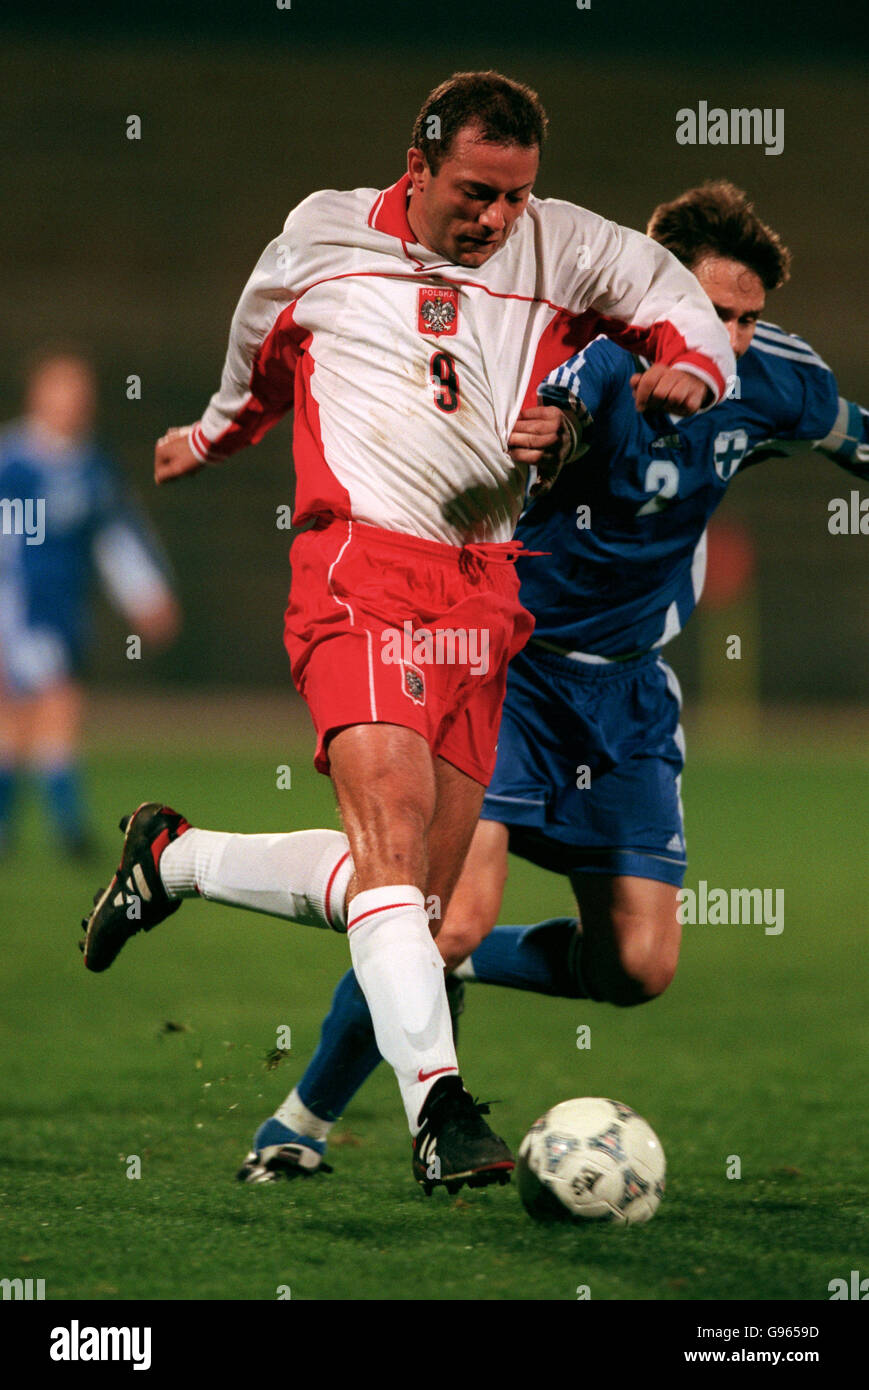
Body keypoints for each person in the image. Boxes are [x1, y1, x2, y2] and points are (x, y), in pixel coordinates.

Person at [79, 72, 733, 1196]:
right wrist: (210, 436)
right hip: (356, 569)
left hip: (484, 592)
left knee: (414, 911)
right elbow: (256, 360)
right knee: (390, 842)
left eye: (515, 197)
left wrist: (690, 368)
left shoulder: (562, 247)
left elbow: (684, 307)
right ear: (418, 164)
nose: (495, 218)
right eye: (475, 191)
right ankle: (439, 1109)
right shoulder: (322, 234)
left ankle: (171, 856)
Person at [221, 179, 868, 1184]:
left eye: (743, 317)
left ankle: (441, 961)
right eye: (707, 312)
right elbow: (538, 420)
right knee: (446, 912)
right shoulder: (583, 359)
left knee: (637, 969)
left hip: (626, 694)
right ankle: (298, 1119)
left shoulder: (772, 376)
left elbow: (851, 434)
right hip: (510, 670)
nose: (726, 335)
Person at [0, 351, 179, 857]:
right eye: (61, 388)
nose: (73, 401)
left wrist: (147, 594)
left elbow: (117, 537)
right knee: (56, 704)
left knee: (17, 721)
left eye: (80, 391)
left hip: (67, 608)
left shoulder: (91, 465)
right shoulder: (12, 462)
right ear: (36, 394)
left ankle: (9, 831)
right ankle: (69, 828)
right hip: (20, 609)